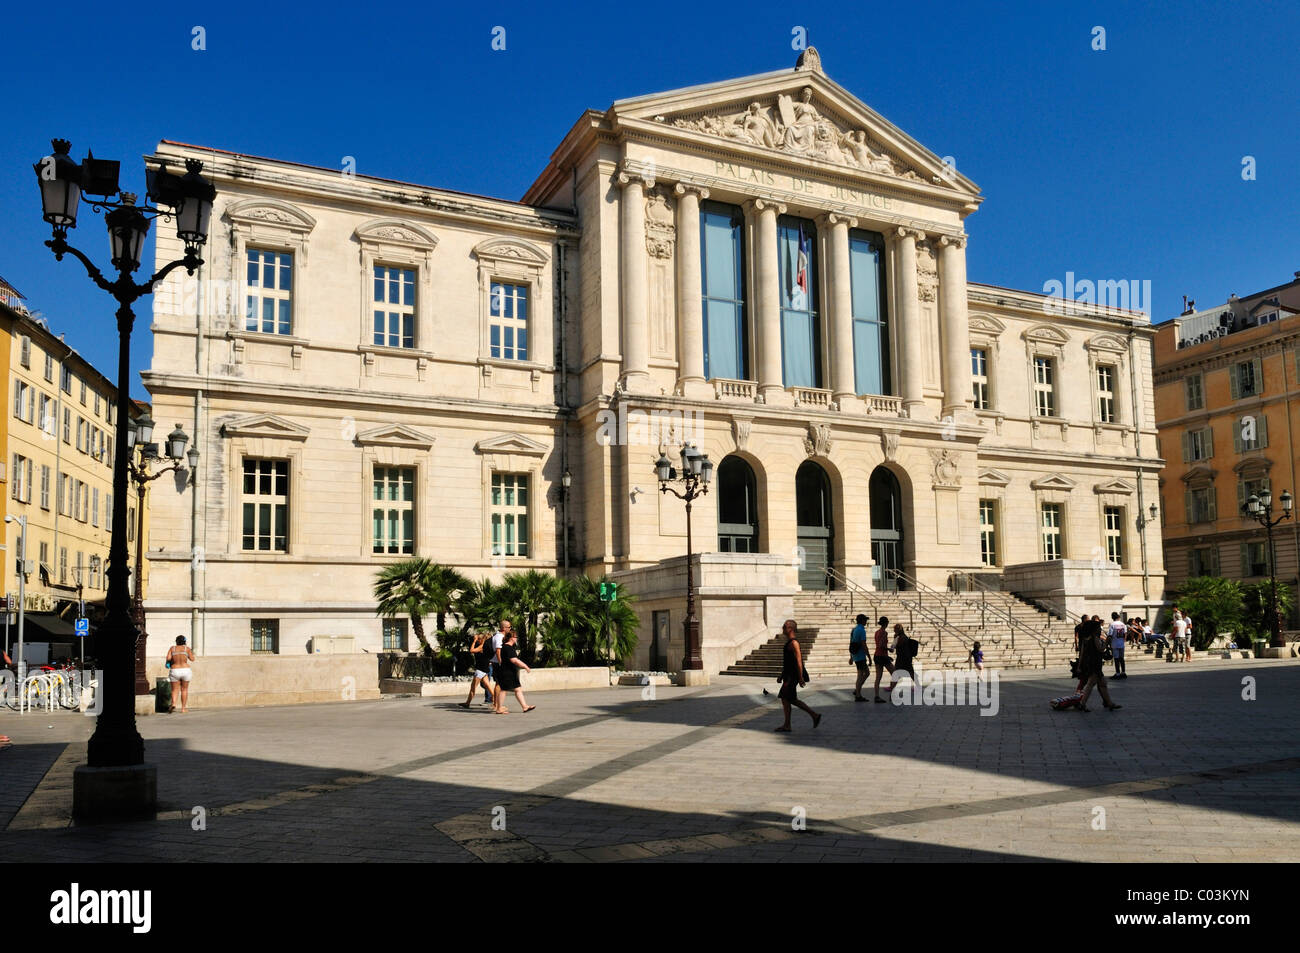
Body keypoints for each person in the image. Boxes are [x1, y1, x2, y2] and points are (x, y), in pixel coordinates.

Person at [774, 619, 821, 731]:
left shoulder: (794, 643)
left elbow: (799, 661)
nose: (783, 628)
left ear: (790, 628)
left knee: (787, 698)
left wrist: (800, 678)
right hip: (789, 675)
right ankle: (812, 716)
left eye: (784, 626)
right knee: (789, 699)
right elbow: (788, 662)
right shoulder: (789, 643)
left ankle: (811, 716)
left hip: (792, 677)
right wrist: (781, 675)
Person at [1076, 618, 1121, 712]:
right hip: (1095, 663)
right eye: (1098, 628)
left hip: (1089, 663)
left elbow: (1082, 654)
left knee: (1102, 684)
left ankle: (1109, 703)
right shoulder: (1095, 638)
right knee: (1090, 684)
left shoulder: (1085, 639)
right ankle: (1082, 703)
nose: (1099, 629)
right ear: (1094, 629)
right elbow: (1101, 649)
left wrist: (1079, 666)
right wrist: (1107, 642)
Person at [494, 628, 535, 714]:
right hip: (507, 672)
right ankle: (499, 708)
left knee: (517, 689)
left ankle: (524, 706)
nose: (516, 639)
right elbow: (514, 660)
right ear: (511, 638)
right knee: (504, 690)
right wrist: (525, 666)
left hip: (509, 672)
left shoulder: (506, 647)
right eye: (515, 637)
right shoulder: (508, 647)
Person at [459, 630, 495, 709]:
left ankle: (467, 703)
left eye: (479, 639)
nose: (477, 640)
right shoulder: (485, 646)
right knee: (488, 687)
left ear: (482, 639)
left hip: (480, 670)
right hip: (483, 669)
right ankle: (496, 701)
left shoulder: (482, 646)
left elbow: (471, 650)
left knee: (473, 687)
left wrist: (474, 641)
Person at [166, 636, 195, 713]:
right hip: (185, 670)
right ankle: (183, 708)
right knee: (184, 689)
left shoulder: (172, 648)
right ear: (184, 642)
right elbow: (192, 659)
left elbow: (168, 658)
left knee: (174, 689)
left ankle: (174, 703)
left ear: (176, 641)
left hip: (175, 670)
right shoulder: (187, 649)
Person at [872, 616, 895, 703]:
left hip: (877, 655)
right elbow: (881, 645)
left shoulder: (877, 632)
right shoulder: (884, 633)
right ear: (886, 623)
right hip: (882, 656)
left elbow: (878, 645)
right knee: (895, 673)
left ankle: (876, 696)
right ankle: (892, 695)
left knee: (878, 677)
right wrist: (889, 650)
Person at [850, 614, 871, 702]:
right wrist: (869, 657)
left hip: (855, 655)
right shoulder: (861, 630)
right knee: (861, 675)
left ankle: (857, 690)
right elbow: (864, 644)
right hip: (860, 655)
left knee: (865, 673)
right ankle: (858, 694)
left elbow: (851, 643)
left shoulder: (854, 629)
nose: (866, 621)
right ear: (862, 621)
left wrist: (851, 657)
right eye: (865, 620)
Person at [489, 620, 510, 710]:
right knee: (499, 684)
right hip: (498, 663)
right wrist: (501, 661)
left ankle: (496, 704)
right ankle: (497, 706)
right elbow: (498, 650)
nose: (510, 629)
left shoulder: (497, 636)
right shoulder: (499, 637)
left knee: (498, 683)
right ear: (504, 628)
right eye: (509, 627)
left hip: (496, 662)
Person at [1108, 612, 1129, 679]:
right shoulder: (1123, 624)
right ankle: (1123, 672)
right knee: (1122, 658)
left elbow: (1110, 635)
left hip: (1115, 643)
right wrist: (1124, 640)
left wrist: (1108, 643)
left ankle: (1117, 673)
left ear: (1112, 618)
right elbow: (1125, 633)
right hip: (1121, 643)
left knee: (1116, 659)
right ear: (1118, 617)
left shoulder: (1112, 624)